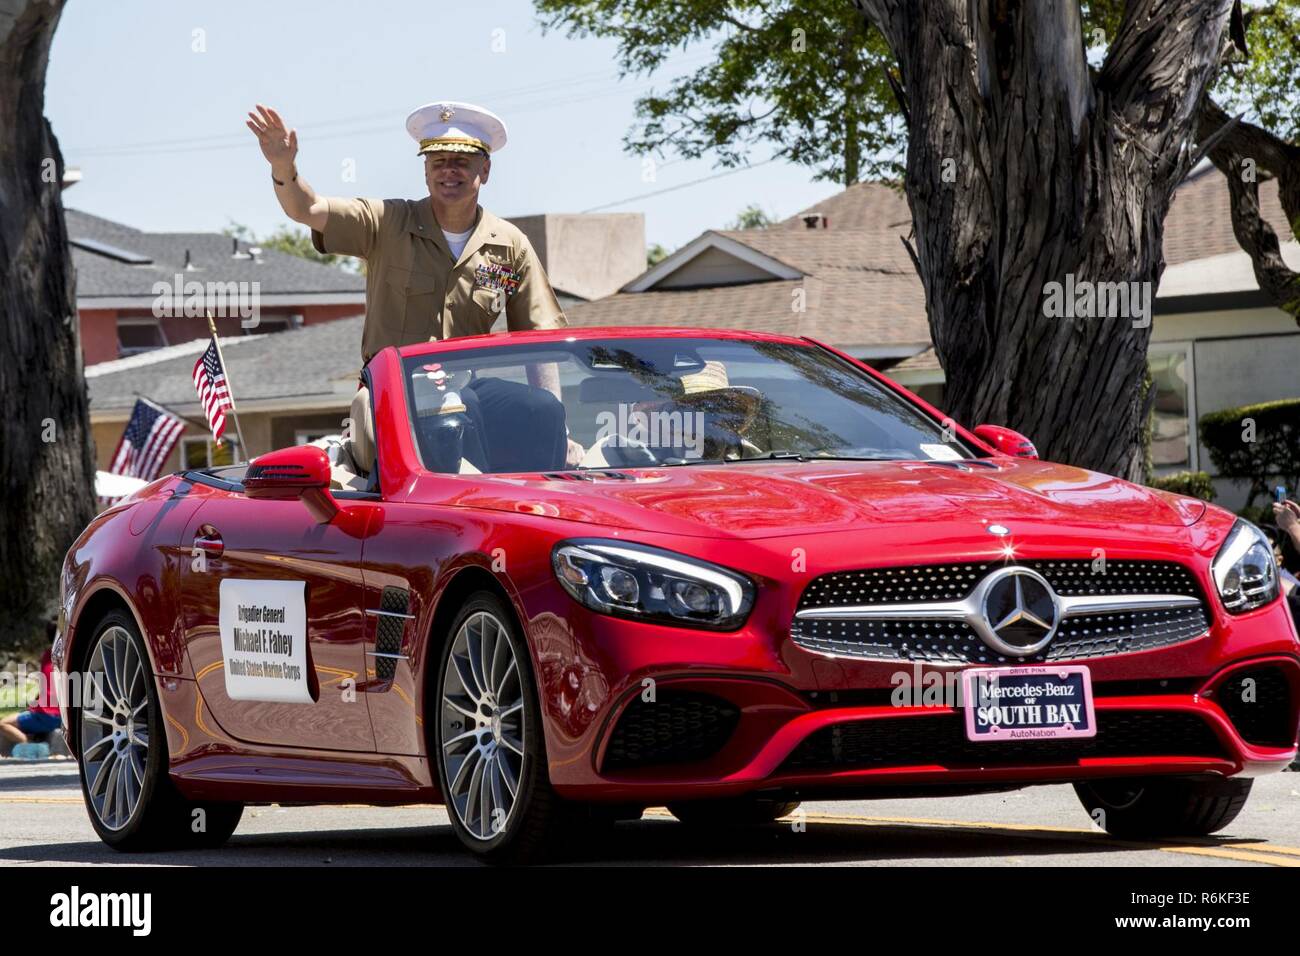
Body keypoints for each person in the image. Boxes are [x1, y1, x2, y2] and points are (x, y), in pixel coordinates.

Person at [246, 100, 582, 470]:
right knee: (452, 415)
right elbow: (306, 209)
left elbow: (539, 341)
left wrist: (560, 431)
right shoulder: (386, 222)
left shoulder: (509, 244)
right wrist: (283, 166)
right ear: (425, 171)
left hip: (465, 388)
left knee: (540, 410)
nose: (448, 171)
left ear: (484, 170)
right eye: (437, 162)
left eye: (461, 162)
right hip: (394, 392)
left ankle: (535, 506)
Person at [1, 623, 61, 750]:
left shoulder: (48, 655)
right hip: (63, 717)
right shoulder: (67, 655)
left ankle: (29, 745)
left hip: (46, 715)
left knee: (3, 723)